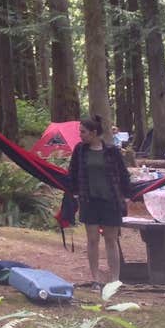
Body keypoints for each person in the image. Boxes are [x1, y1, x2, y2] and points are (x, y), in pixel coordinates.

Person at [69, 114, 131, 286]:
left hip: (110, 200)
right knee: (92, 239)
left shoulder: (111, 151)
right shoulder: (80, 150)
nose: (80, 135)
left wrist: (128, 196)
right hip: (89, 201)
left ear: (94, 133)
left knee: (111, 239)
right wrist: (74, 193)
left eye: (83, 132)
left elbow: (123, 174)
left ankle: (115, 279)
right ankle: (95, 278)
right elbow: (73, 173)